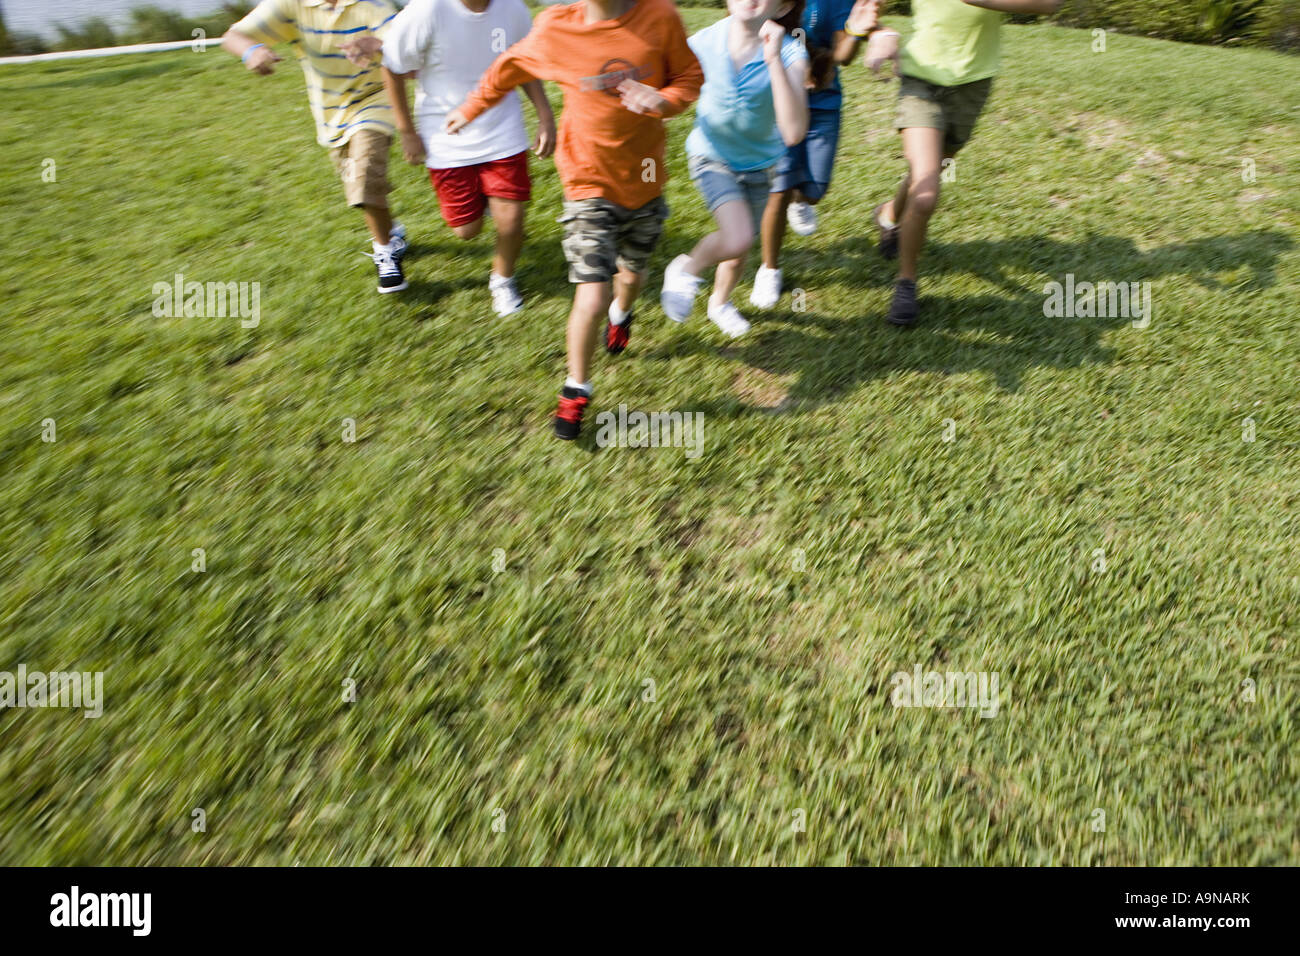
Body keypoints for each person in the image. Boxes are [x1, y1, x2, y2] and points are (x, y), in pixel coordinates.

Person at [443, 0, 704, 440]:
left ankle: (622, 316)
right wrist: (471, 108)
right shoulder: (555, 28)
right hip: (587, 183)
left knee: (632, 274)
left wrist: (663, 100)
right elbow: (509, 66)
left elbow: (690, 78)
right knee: (592, 289)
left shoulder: (660, 17)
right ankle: (576, 386)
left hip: (645, 177)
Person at [344, 0, 557, 316]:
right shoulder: (426, 10)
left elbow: (522, 64)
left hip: (502, 128)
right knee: (466, 230)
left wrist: (545, 114)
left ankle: (502, 280)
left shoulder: (513, 9)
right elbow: (392, 66)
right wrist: (407, 131)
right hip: (445, 132)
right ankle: (486, 198)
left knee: (511, 220)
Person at [870, 0, 1062, 327]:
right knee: (927, 192)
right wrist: (880, 32)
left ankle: (889, 215)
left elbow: (1050, 4)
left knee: (925, 173)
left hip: (972, 85)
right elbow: (866, 8)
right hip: (920, 81)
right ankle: (906, 283)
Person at [221, 0, 410, 294]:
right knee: (361, 182)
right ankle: (391, 230)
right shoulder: (291, 4)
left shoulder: (374, 4)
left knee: (363, 176)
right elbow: (233, 36)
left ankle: (385, 252)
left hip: (376, 100)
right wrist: (252, 50)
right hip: (330, 114)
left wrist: (379, 44)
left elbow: (408, 51)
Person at [659, 0, 809, 337]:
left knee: (739, 247)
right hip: (711, 156)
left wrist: (772, 60)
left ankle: (720, 303)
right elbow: (671, 90)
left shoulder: (790, 54)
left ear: (783, 7)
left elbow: (794, 131)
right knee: (738, 236)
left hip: (761, 164)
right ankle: (686, 268)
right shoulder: (702, 43)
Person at [750, 0, 884, 309]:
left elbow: (843, 57)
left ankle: (802, 200)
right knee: (778, 189)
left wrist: (856, 31)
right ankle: (769, 269)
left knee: (814, 191)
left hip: (822, 104)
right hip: (778, 101)